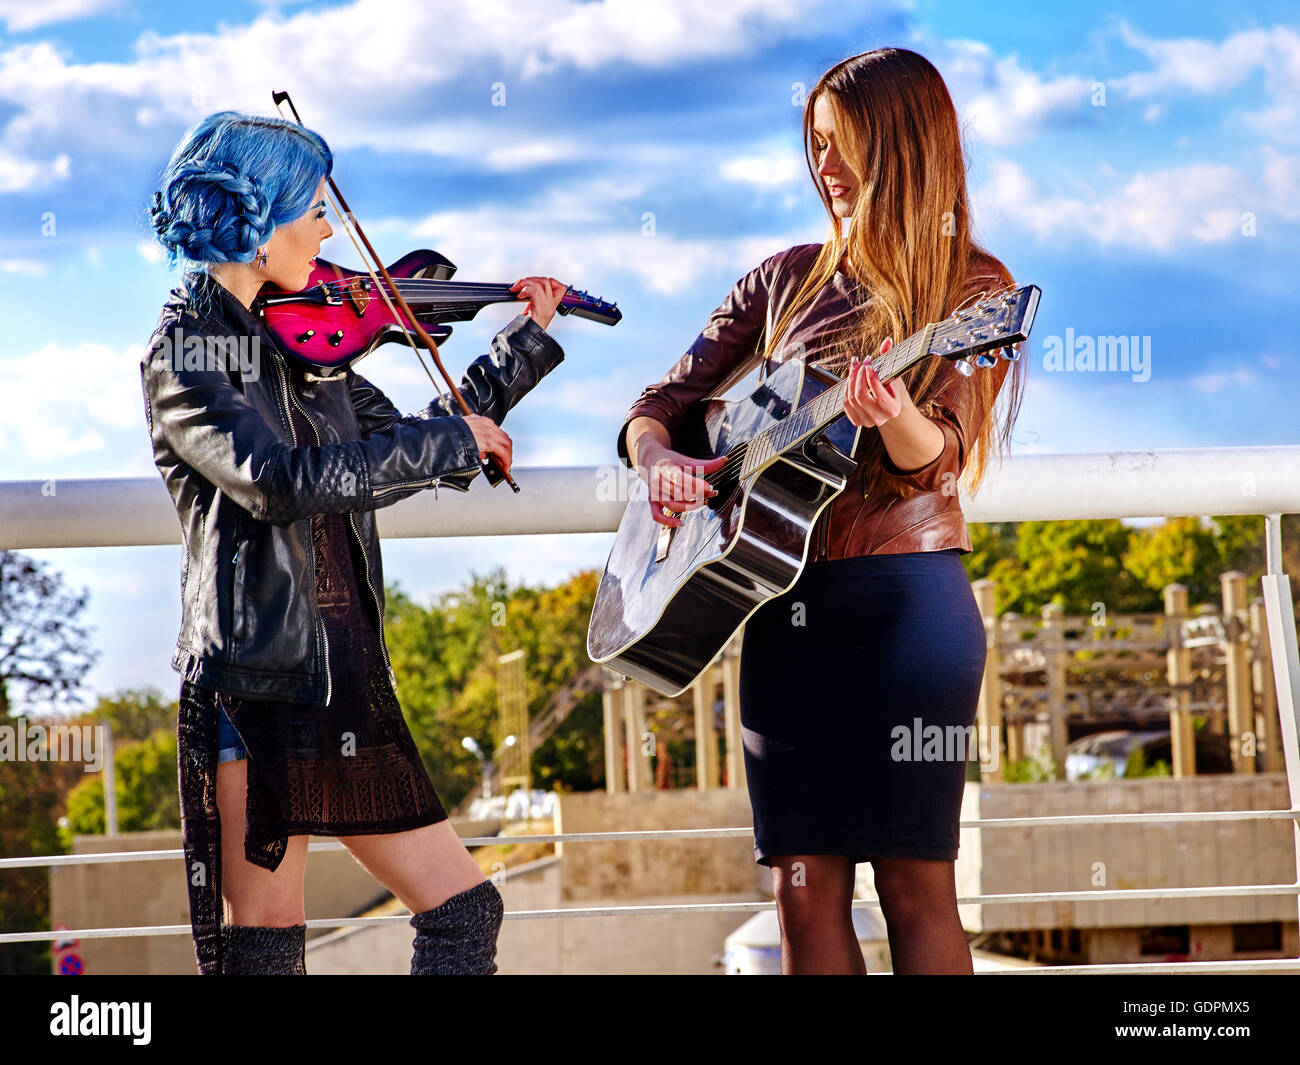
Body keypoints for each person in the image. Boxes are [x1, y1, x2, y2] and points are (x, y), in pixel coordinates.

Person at [617, 47, 1028, 975]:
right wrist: (660, 460)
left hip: (906, 609)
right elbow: (661, 402)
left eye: (844, 145)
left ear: (904, 145)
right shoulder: (781, 279)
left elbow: (942, 459)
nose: (825, 168)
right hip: (782, 605)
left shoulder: (975, 290)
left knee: (918, 889)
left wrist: (898, 417)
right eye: (814, 145)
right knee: (802, 894)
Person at [141, 110, 569, 975]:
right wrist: (448, 445)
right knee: (267, 950)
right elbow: (278, 479)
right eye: (312, 210)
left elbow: (412, 440)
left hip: (343, 676)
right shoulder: (186, 349)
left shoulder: (301, 348)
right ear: (259, 223)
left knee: (464, 912)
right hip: (257, 685)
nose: (330, 230)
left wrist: (522, 344)